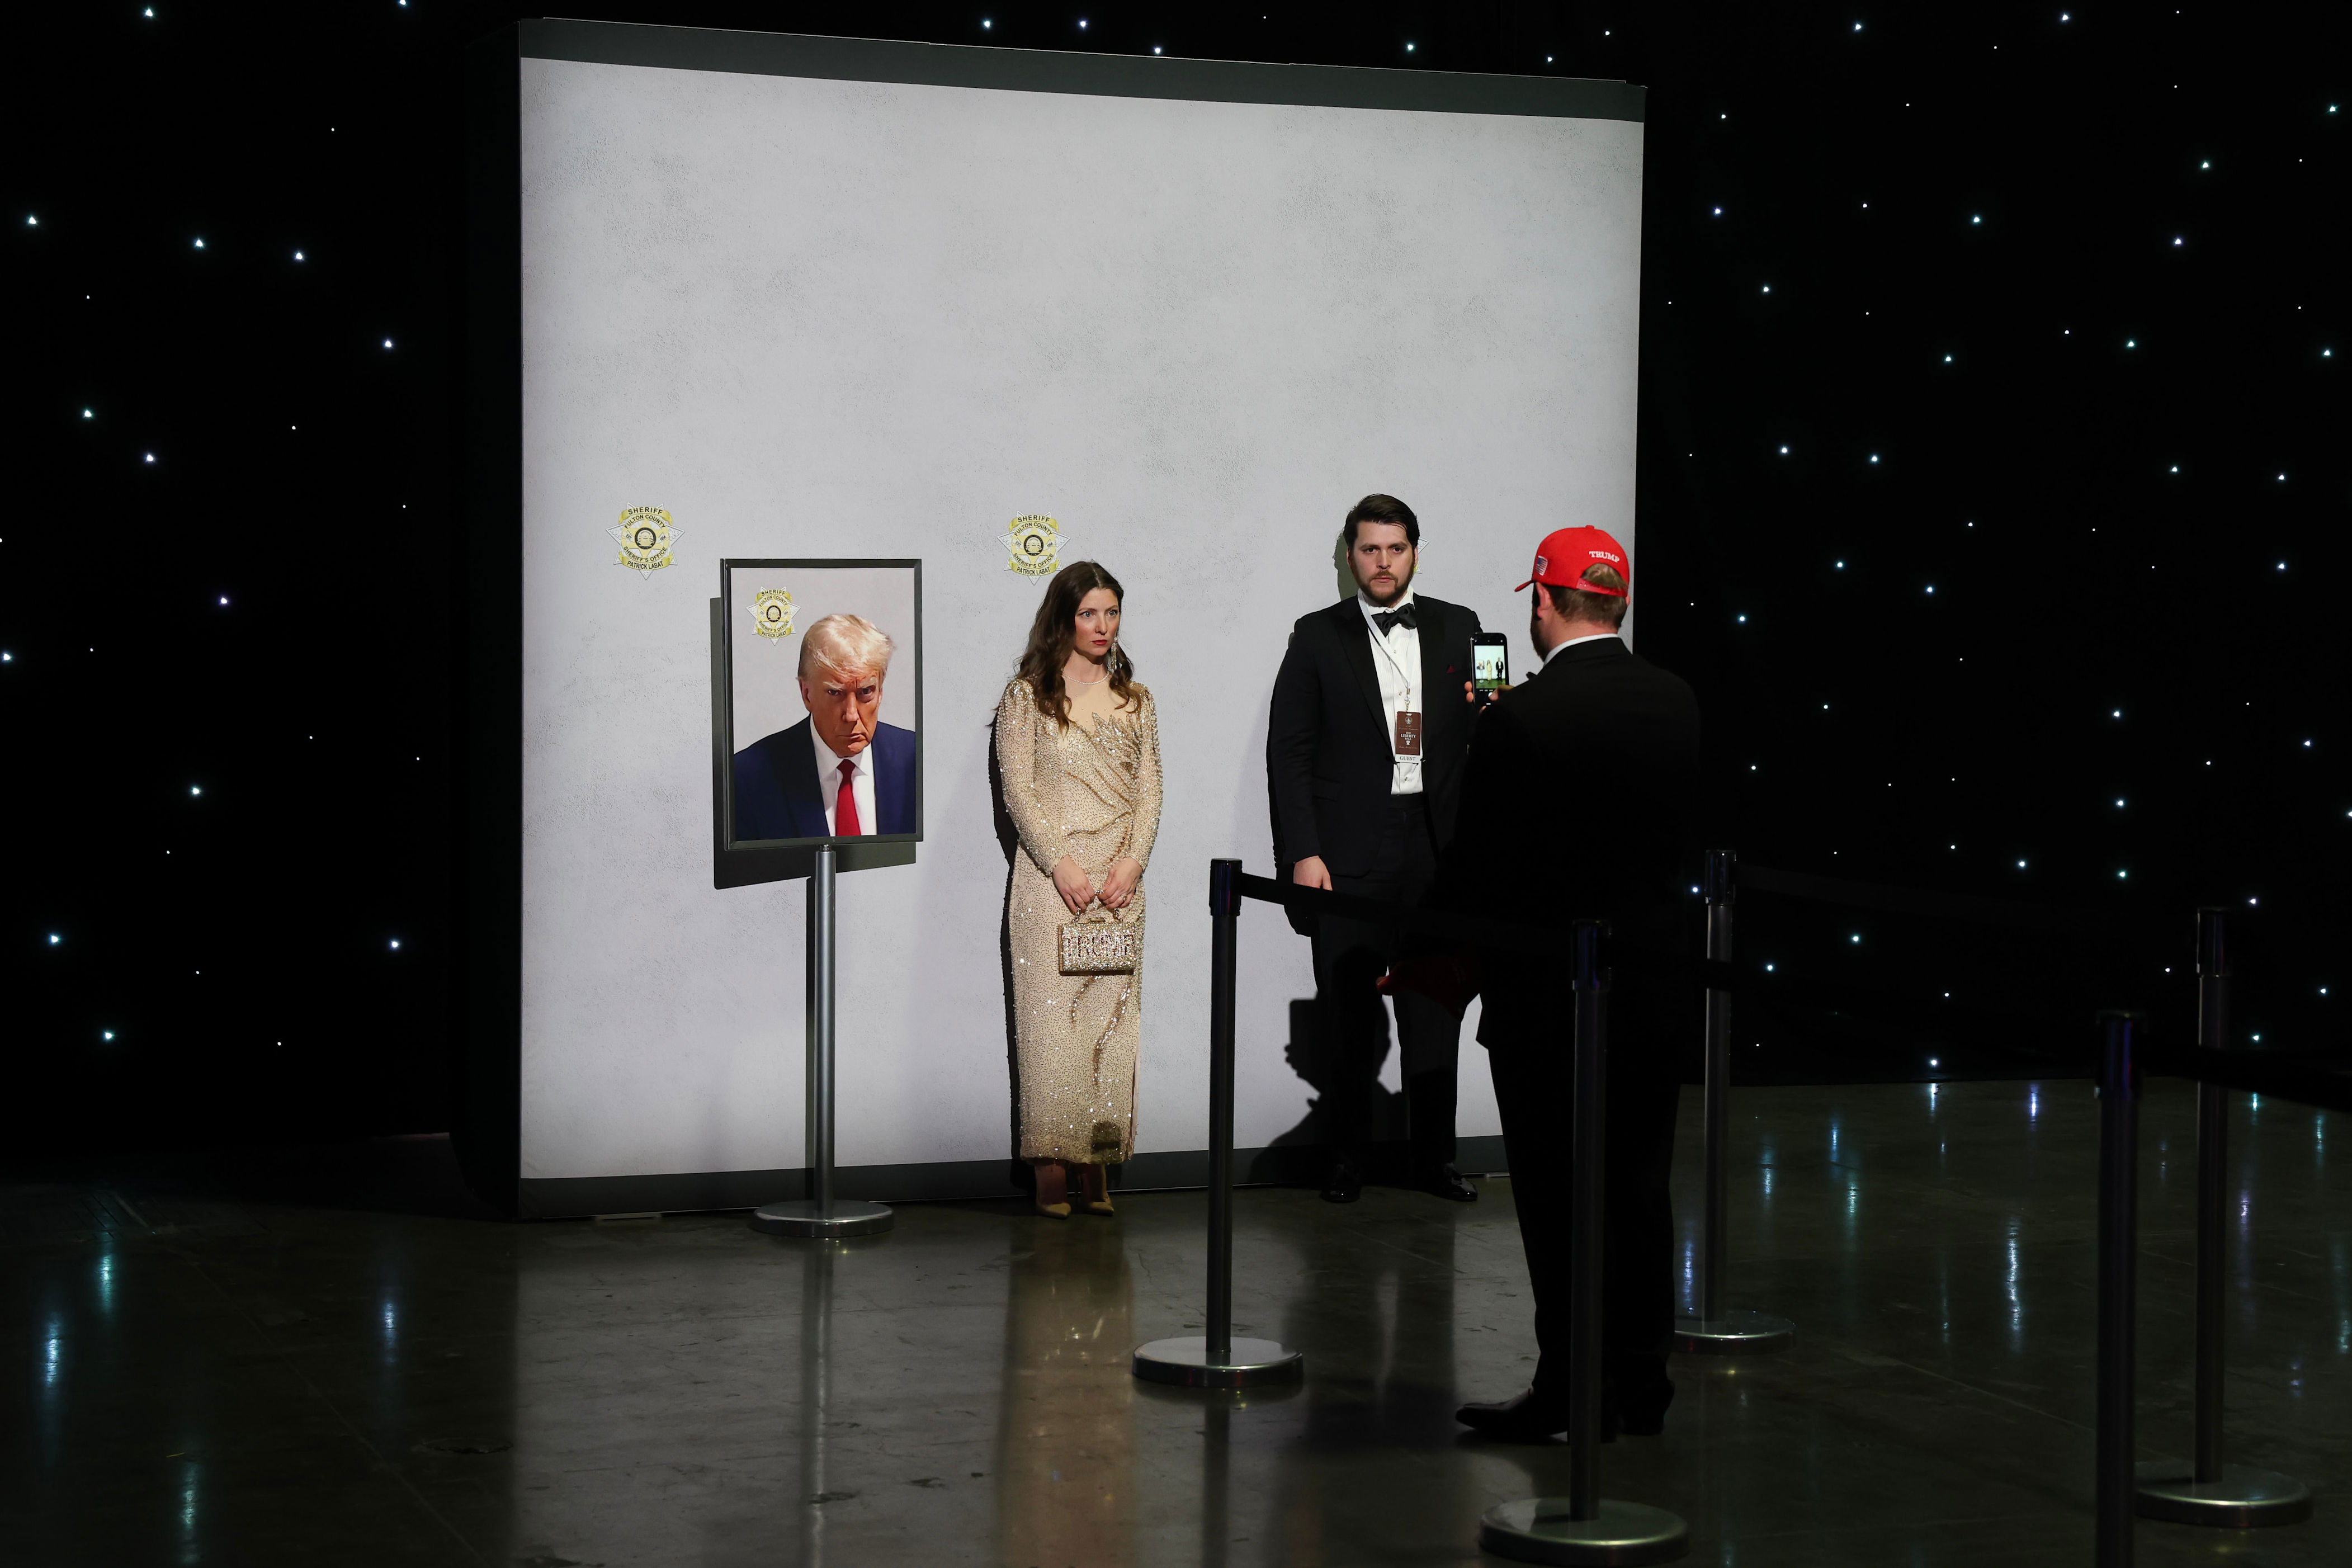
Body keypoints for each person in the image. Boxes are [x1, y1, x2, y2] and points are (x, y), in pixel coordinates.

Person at [1441, 526, 1701, 1442]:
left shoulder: (1519, 718)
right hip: (1655, 993)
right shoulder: (1677, 701)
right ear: (1616, 601)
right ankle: (1640, 1384)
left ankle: (1571, 1388)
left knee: (1557, 1199)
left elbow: (1477, 872)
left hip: (1548, 1000)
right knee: (1638, 1188)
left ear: (1543, 603)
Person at [1266, 494, 1485, 1205]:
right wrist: (1303, 849)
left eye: (1394, 548)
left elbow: (1493, 737)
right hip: (1347, 848)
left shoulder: (1465, 629)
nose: (1382, 562)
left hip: (1440, 848)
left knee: (1434, 1011)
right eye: (1369, 549)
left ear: (1414, 551)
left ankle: (1434, 1161)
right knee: (1349, 1014)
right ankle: (1346, 1159)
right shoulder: (1316, 635)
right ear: (1349, 556)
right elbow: (1289, 753)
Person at [996, 562, 1163, 1218]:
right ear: (1064, 617)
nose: (1102, 626)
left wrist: (1132, 863)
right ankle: (1049, 1170)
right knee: (1050, 1034)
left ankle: (1097, 1166)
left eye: (1112, 612)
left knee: (1110, 1032)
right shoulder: (1026, 696)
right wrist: (1060, 863)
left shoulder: (1139, 699)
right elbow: (1020, 791)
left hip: (1120, 891)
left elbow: (1151, 792)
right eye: (1090, 613)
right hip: (1049, 888)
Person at [733, 613, 917, 840]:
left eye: (866, 692)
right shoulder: (747, 778)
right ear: (806, 694)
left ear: (880, 692)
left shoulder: (918, 761)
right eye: (835, 693)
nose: (851, 715)